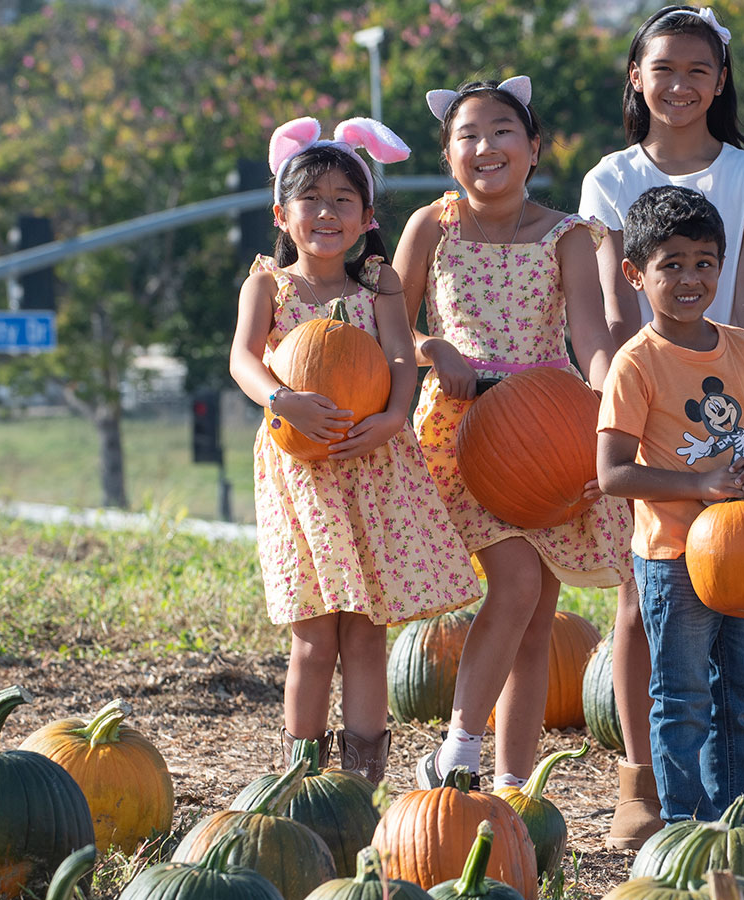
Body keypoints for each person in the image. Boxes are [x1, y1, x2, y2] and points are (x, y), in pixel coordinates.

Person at [580, 4, 744, 848]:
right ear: (637, 76)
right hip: (644, 416)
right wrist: (630, 404)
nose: (679, 85)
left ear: (721, 79)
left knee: (738, 636)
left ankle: (730, 816)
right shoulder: (608, 179)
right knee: (642, 608)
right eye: (662, 68)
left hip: (729, 432)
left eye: (697, 70)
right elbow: (604, 317)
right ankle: (647, 786)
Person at [397, 78, 634, 792]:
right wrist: (433, 349)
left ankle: (510, 787)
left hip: (549, 430)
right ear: (449, 155)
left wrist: (608, 406)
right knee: (517, 580)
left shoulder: (567, 236)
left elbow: (589, 339)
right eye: (467, 134)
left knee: (538, 621)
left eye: (503, 131)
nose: (485, 146)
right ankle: (460, 750)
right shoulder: (431, 228)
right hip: (461, 434)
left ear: (533, 149)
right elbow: (388, 331)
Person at [229, 116, 478, 781]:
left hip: (372, 468)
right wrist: (280, 398)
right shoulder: (269, 287)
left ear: (367, 216)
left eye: (344, 199)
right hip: (300, 476)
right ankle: (300, 779)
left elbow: (403, 359)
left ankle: (362, 784)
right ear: (283, 215)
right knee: (313, 634)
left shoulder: (379, 286)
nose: (327, 211)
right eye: (311, 198)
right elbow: (243, 360)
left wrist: (396, 417)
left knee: (367, 629)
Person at [598, 185, 744, 825]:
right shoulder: (637, 364)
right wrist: (701, 485)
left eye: (704, 262)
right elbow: (613, 474)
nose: (690, 278)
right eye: (672, 264)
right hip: (674, 557)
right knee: (681, 696)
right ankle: (683, 826)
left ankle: (738, 821)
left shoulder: (741, 348)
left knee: (738, 692)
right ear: (636, 273)